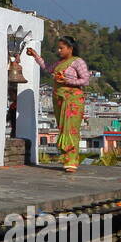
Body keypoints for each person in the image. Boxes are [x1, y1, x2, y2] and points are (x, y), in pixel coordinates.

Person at [27, 37, 90, 174]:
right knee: (62, 128)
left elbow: (85, 81)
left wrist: (67, 80)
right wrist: (35, 56)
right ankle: (66, 158)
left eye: (61, 48)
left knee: (71, 129)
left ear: (70, 48)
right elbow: (47, 68)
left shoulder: (77, 62)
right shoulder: (59, 63)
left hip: (73, 100)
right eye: (58, 48)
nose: (59, 50)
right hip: (59, 99)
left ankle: (72, 161)